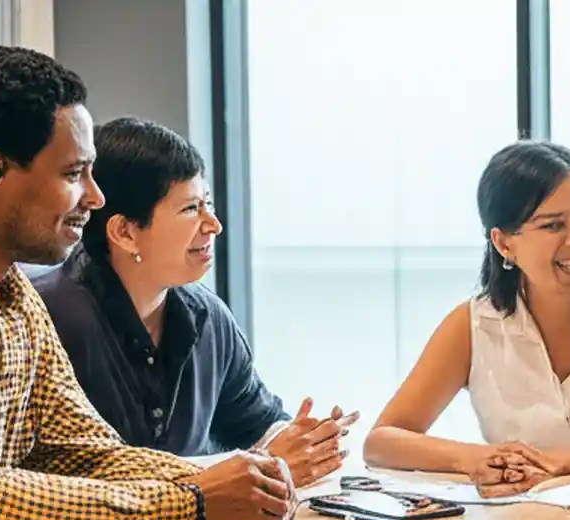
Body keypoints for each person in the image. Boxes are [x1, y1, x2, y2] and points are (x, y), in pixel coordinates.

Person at [0, 46, 294, 520]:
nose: (96, 196)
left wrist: (247, 479)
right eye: (74, 174)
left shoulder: (16, 298)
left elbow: (88, 453)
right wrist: (195, 503)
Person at [364, 141, 570, 496]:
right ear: (504, 244)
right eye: (553, 226)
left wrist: (559, 464)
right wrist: (474, 459)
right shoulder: (471, 325)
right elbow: (381, 442)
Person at [33, 117, 350, 487]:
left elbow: (254, 423)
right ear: (125, 232)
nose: (213, 224)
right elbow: (81, 475)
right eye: (190, 209)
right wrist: (265, 463)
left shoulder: (207, 315)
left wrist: (305, 441)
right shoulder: (49, 318)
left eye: (208, 203)